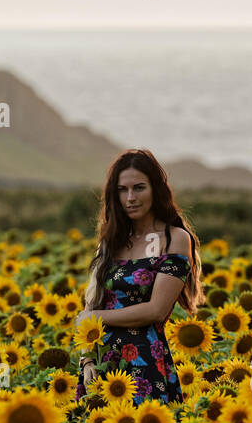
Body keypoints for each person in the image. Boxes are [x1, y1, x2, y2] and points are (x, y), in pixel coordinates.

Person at [74, 148, 205, 408]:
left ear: (156, 189)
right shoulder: (111, 243)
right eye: (123, 190)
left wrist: (95, 319)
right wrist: (87, 359)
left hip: (144, 365)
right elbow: (91, 305)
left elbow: (156, 310)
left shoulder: (175, 239)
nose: (130, 198)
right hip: (100, 365)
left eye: (139, 188)